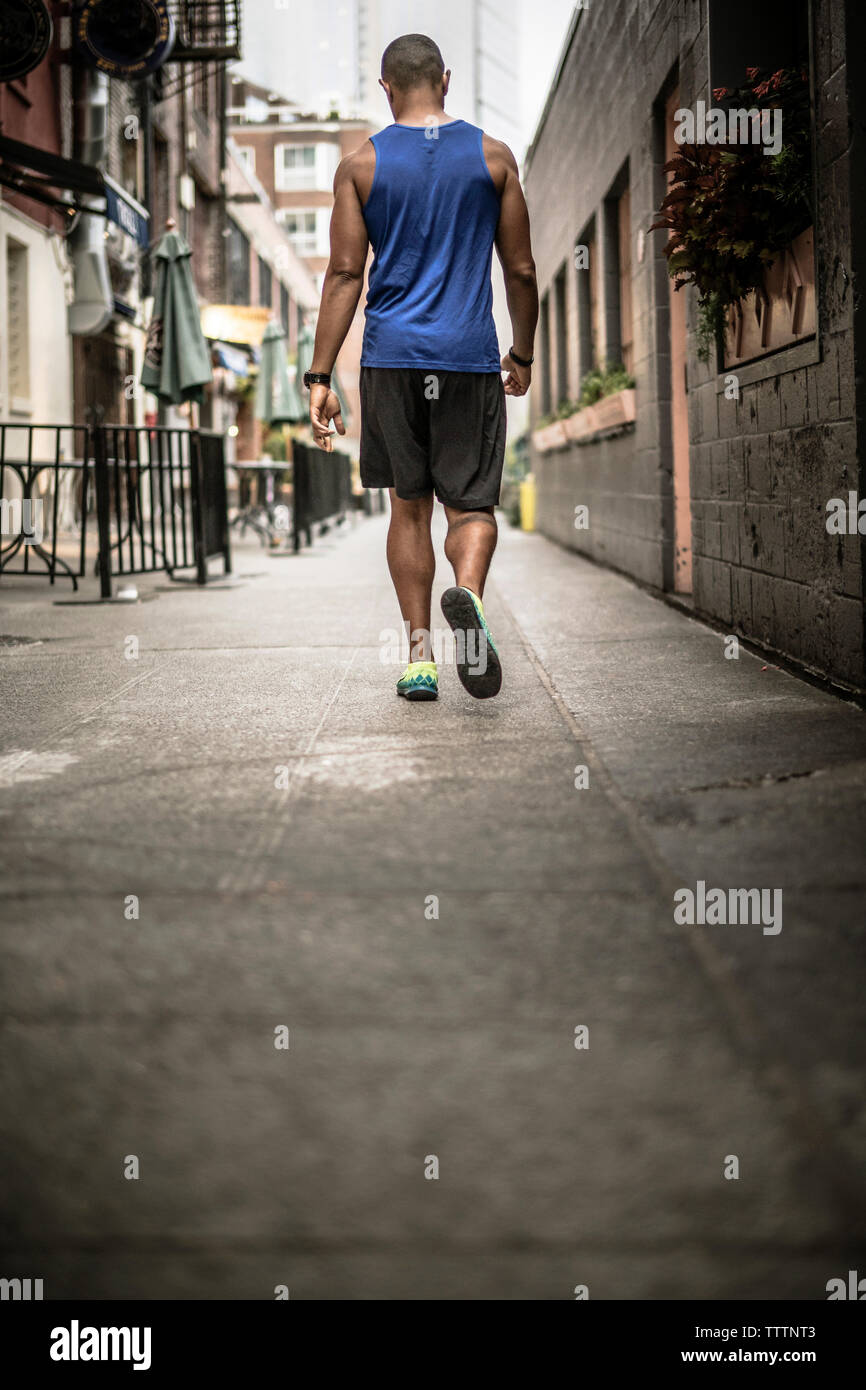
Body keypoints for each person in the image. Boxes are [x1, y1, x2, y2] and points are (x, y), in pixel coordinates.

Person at [305, 33, 538, 701]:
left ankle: (417, 659)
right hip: (466, 357)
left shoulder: (360, 165)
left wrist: (320, 377)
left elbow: (345, 273)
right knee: (471, 507)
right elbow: (520, 269)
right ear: (446, 80)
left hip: (391, 358)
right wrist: (519, 352)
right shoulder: (493, 158)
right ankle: (465, 596)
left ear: (386, 88)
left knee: (408, 508)